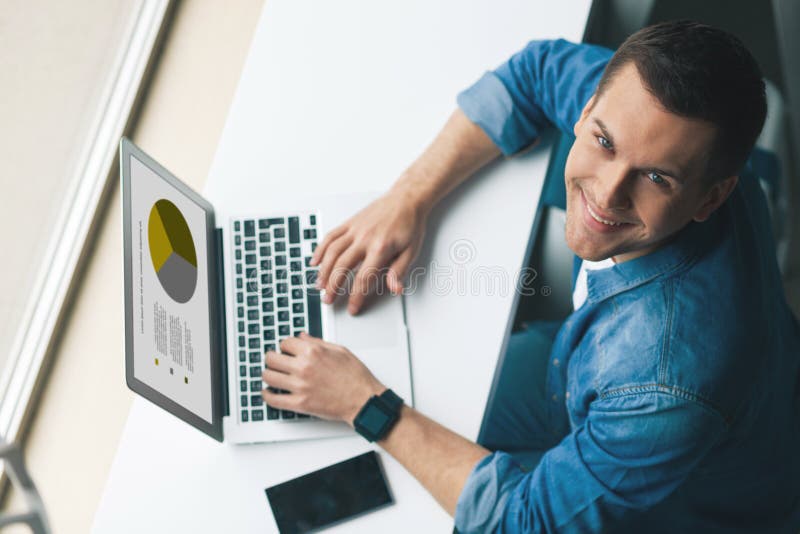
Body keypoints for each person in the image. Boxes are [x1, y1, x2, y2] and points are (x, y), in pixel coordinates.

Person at [260, 20, 800, 532]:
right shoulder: (650, 114)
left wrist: (367, 405)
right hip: (582, 371)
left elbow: (524, 523)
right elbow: (536, 70)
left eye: (656, 178)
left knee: (383, 445)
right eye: (603, 142)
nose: (606, 196)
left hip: (693, 497)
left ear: (712, 196)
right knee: (396, 398)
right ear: (589, 109)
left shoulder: (663, 388)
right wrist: (408, 198)